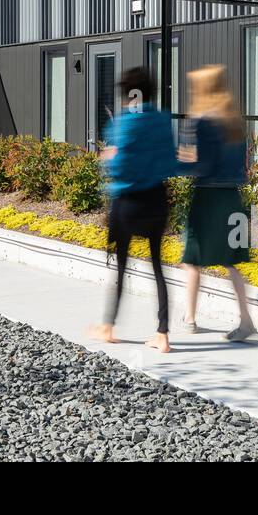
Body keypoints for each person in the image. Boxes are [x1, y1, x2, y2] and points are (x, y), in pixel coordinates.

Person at [88, 67, 177, 354]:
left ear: (128, 95)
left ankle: (108, 327)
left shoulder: (124, 123)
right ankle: (162, 334)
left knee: (122, 267)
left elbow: (120, 164)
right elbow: (168, 162)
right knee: (157, 267)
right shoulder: (163, 121)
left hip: (129, 202)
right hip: (157, 201)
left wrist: (109, 158)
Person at [178, 66, 256, 341]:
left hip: (207, 197)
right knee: (231, 261)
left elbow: (200, 164)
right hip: (232, 196)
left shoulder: (200, 121)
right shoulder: (234, 121)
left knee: (192, 259)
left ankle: (189, 318)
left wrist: (176, 161)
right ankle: (246, 322)